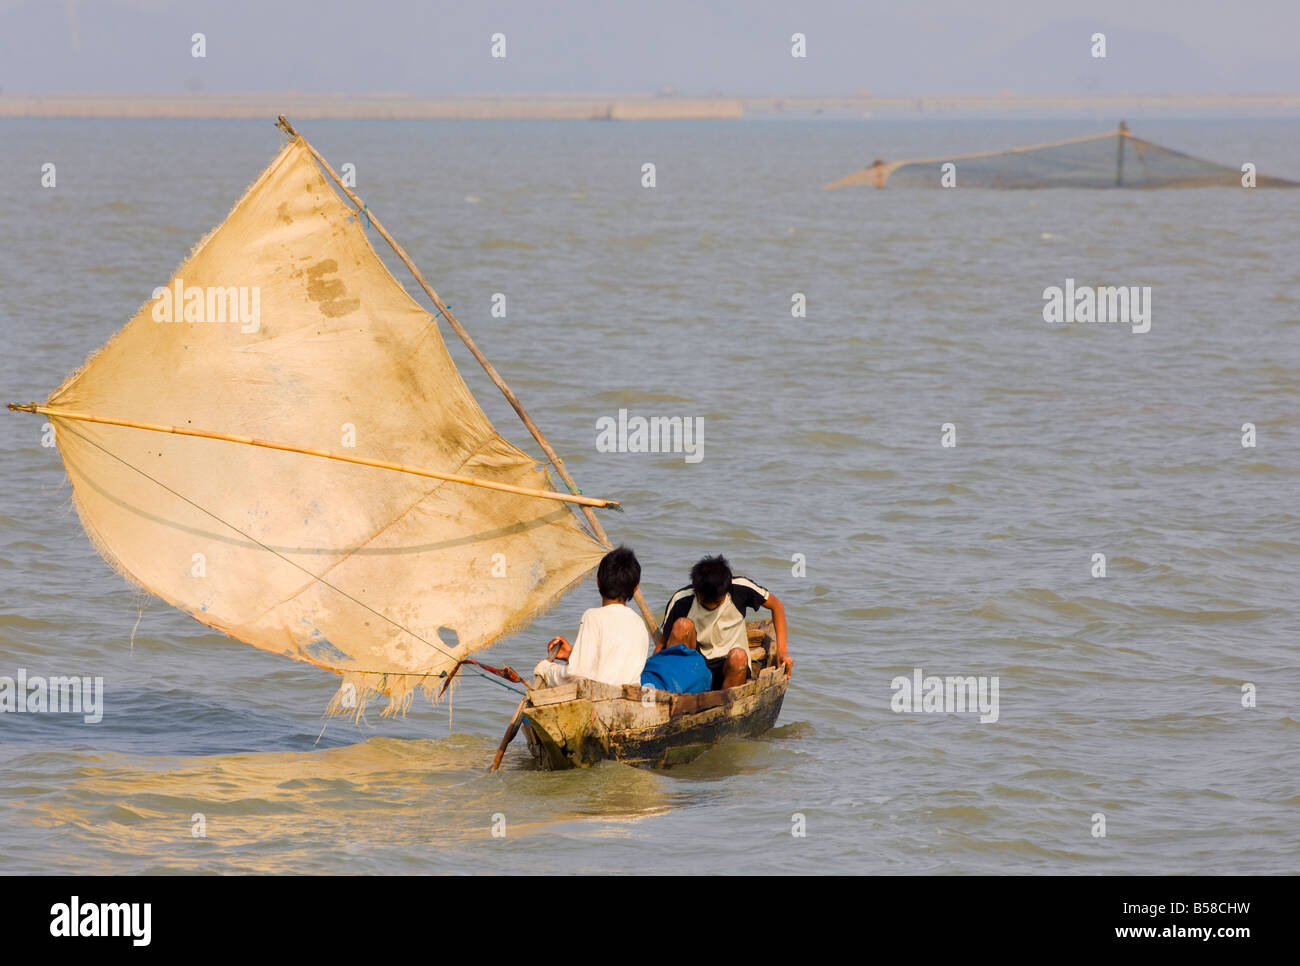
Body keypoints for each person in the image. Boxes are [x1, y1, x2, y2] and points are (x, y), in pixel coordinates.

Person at [656, 555, 790, 691]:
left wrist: (782, 651)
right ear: (697, 593)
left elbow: (777, 606)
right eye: (706, 603)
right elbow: (662, 645)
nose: (712, 607)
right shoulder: (681, 600)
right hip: (695, 665)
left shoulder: (740, 589)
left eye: (717, 603)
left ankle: (725, 703)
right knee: (681, 626)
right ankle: (678, 691)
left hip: (729, 665)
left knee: (738, 657)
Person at [534, 546, 650, 688]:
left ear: (598, 582)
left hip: (597, 701)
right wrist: (572, 655)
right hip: (627, 701)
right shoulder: (639, 624)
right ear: (635, 588)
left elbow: (576, 676)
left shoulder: (593, 617)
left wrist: (545, 669)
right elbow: (612, 669)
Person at [640, 619, 711, 694]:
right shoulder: (698, 664)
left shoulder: (654, 660)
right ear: (691, 640)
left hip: (642, 691)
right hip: (663, 698)